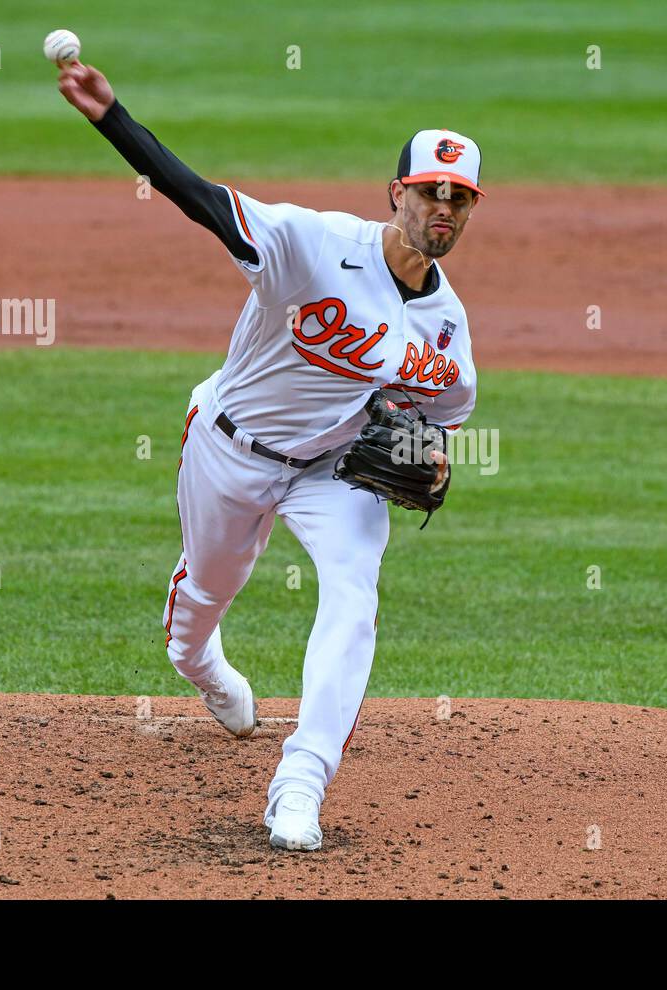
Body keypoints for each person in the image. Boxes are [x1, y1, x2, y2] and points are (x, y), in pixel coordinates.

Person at [57, 61, 482, 850]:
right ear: (397, 194)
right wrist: (112, 118)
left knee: (354, 594)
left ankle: (301, 781)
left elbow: (445, 411)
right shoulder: (312, 243)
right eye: (430, 191)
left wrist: (434, 452)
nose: (442, 208)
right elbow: (202, 200)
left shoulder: (447, 325)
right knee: (201, 604)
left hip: (329, 472)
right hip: (228, 448)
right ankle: (202, 665)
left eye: (459, 197)